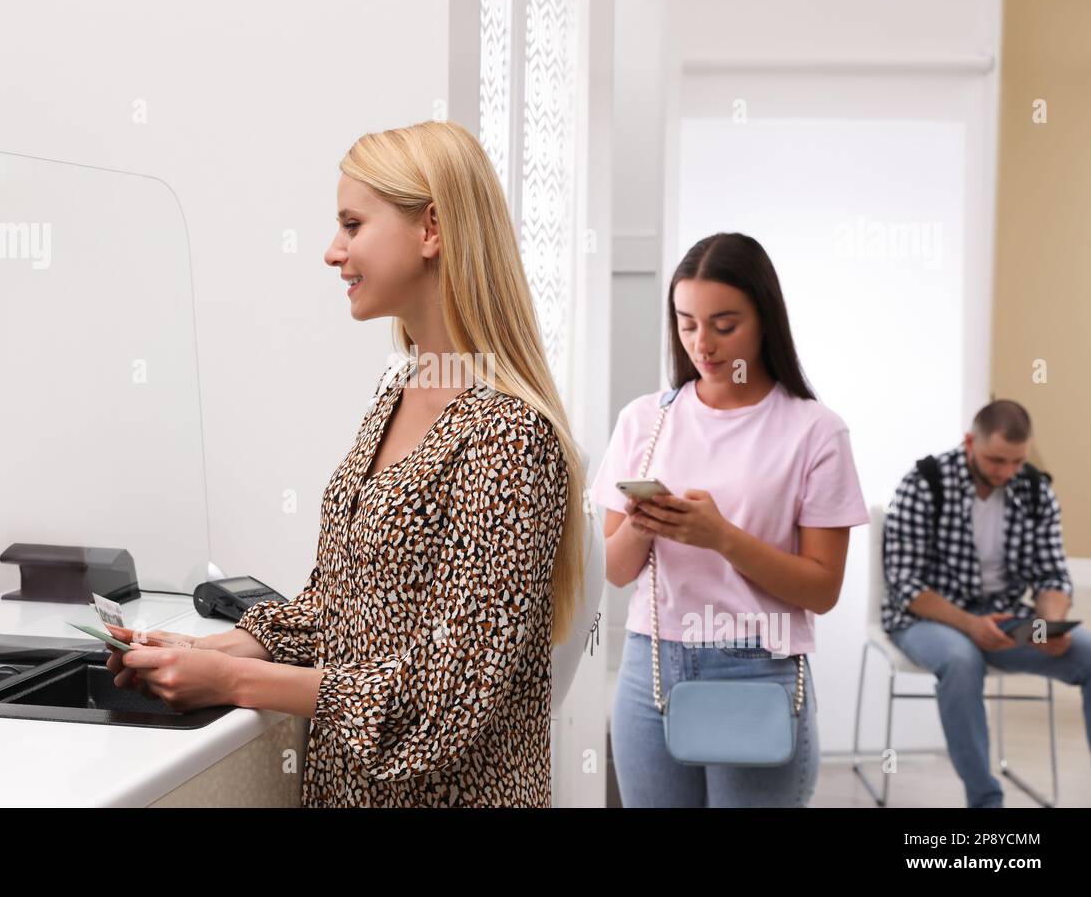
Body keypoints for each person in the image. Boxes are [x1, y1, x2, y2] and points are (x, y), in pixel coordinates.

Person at [105, 121, 586, 807]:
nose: (334, 252)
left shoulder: (510, 436)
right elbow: (345, 606)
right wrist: (210, 652)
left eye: (352, 224)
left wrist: (234, 684)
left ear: (432, 230)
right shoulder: (397, 397)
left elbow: (443, 700)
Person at [592, 232, 868, 806]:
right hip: (652, 667)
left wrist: (720, 538)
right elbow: (616, 573)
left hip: (757, 669)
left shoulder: (814, 431)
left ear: (766, 319)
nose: (702, 344)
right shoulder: (645, 420)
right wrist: (648, 520)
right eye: (687, 323)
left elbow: (821, 589)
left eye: (724, 325)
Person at [883, 399, 1091, 807]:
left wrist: (1047, 626)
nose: (1007, 472)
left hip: (1007, 619)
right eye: (997, 460)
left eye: (1017, 461)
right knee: (961, 660)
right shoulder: (924, 482)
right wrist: (969, 625)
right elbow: (905, 585)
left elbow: (1052, 576)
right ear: (969, 442)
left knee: (1089, 651)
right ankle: (985, 801)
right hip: (928, 618)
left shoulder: (1035, 490)